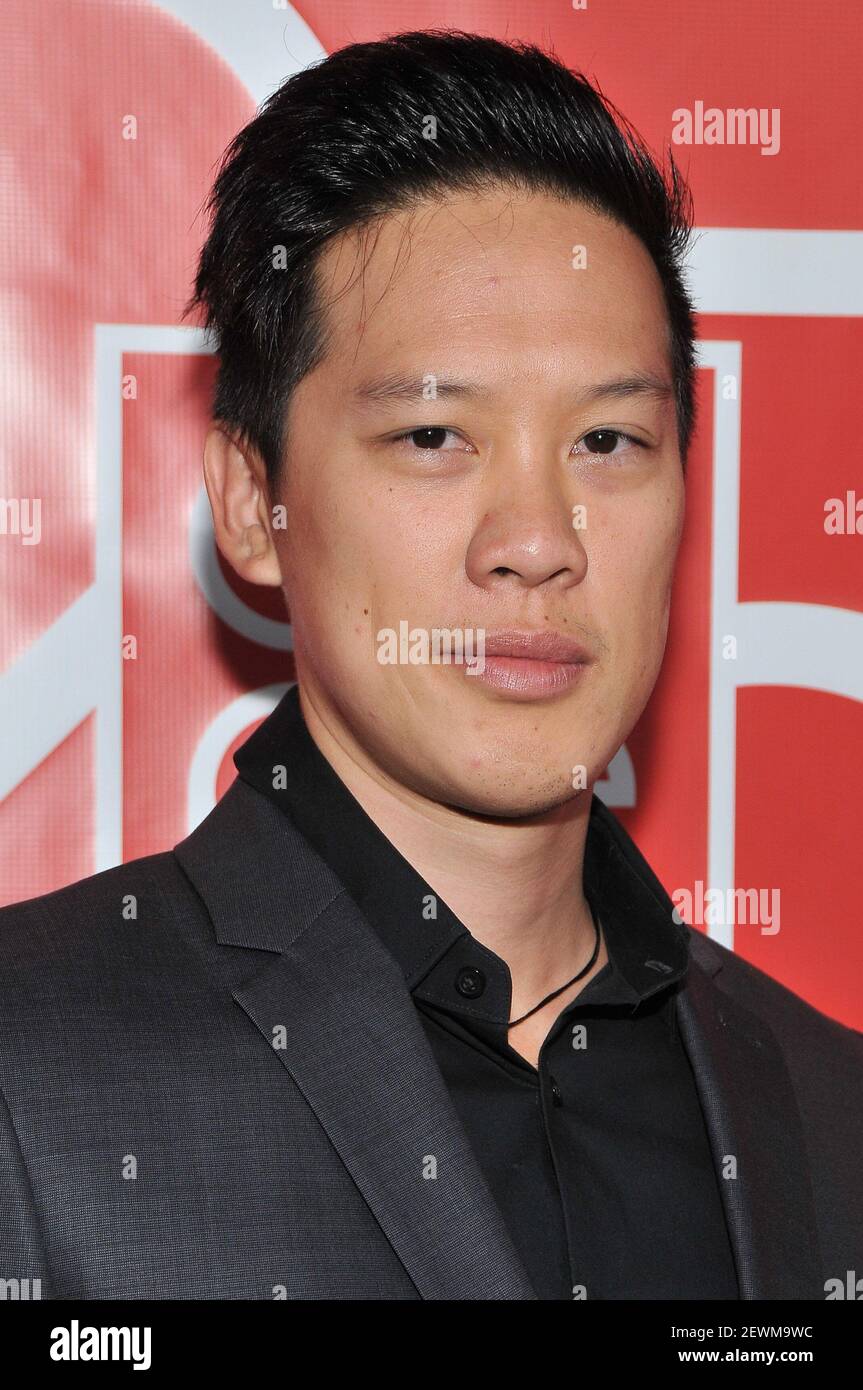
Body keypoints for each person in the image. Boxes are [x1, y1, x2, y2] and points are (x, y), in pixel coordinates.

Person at [1, 30, 860, 1302]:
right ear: (252, 501)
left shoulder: (823, 1101)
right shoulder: (31, 1065)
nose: (534, 542)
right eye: (433, 434)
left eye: (609, 438)